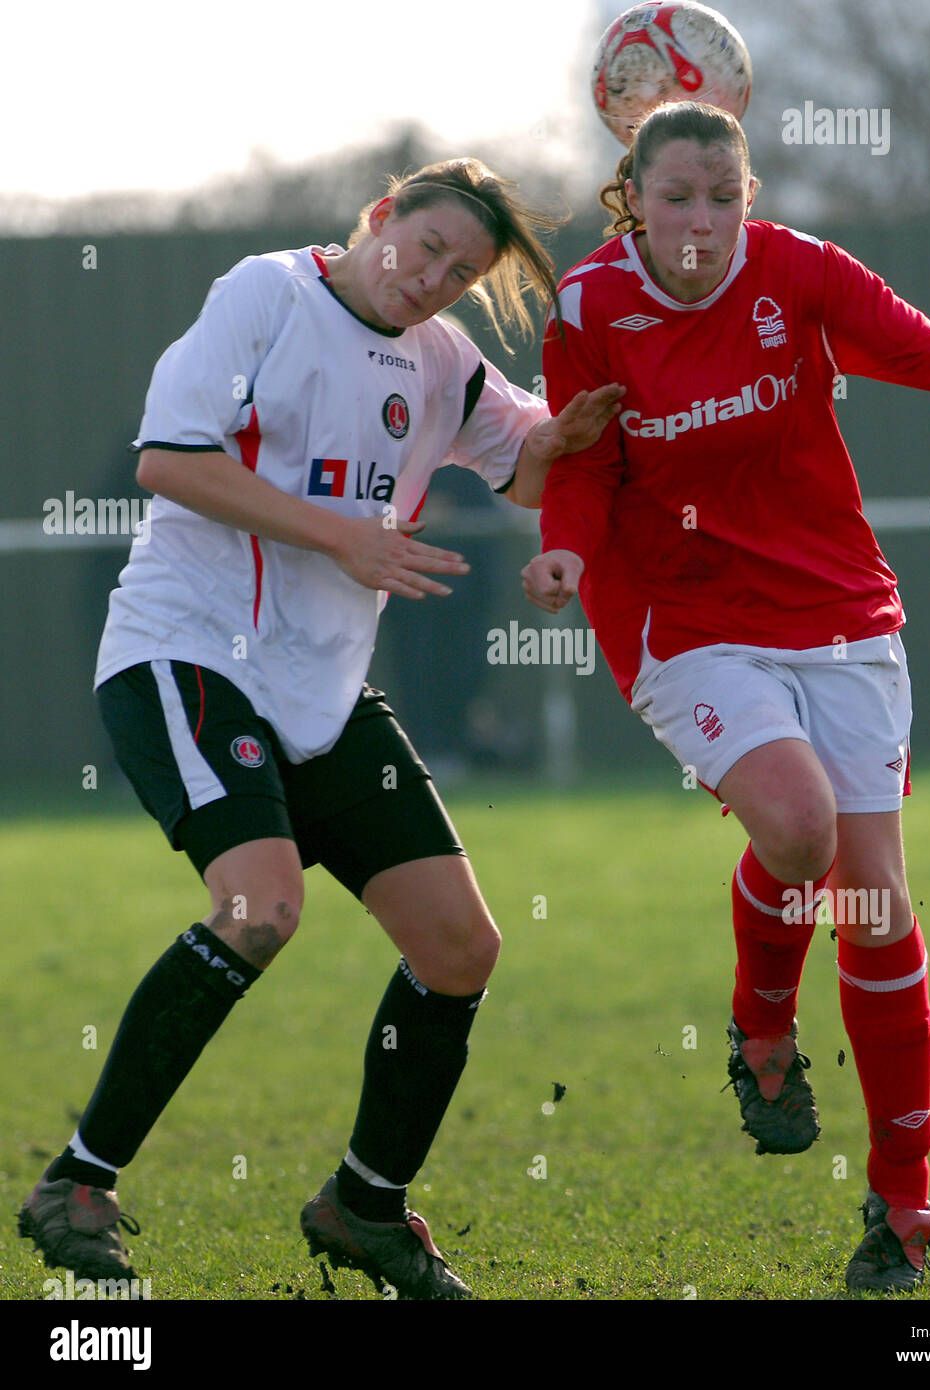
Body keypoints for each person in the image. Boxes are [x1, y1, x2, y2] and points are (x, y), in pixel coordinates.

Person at [18, 156, 624, 1301]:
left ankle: (365, 1203)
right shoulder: (266, 294)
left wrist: (572, 436)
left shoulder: (443, 360)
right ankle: (77, 1183)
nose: (433, 279)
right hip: (186, 653)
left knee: (460, 948)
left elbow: (527, 463)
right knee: (260, 907)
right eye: (424, 247)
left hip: (323, 695)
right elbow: (168, 458)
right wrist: (340, 536)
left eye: (461, 273)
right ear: (381, 213)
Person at [522, 101, 930, 1294]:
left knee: (870, 904)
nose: (701, 220)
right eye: (677, 198)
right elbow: (584, 459)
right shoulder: (588, 308)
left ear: (748, 196)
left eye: (723, 195)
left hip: (839, 609)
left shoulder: (801, 271)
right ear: (634, 200)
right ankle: (764, 1022)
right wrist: (562, 547)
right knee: (802, 829)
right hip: (687, 617)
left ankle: (903, 1214)